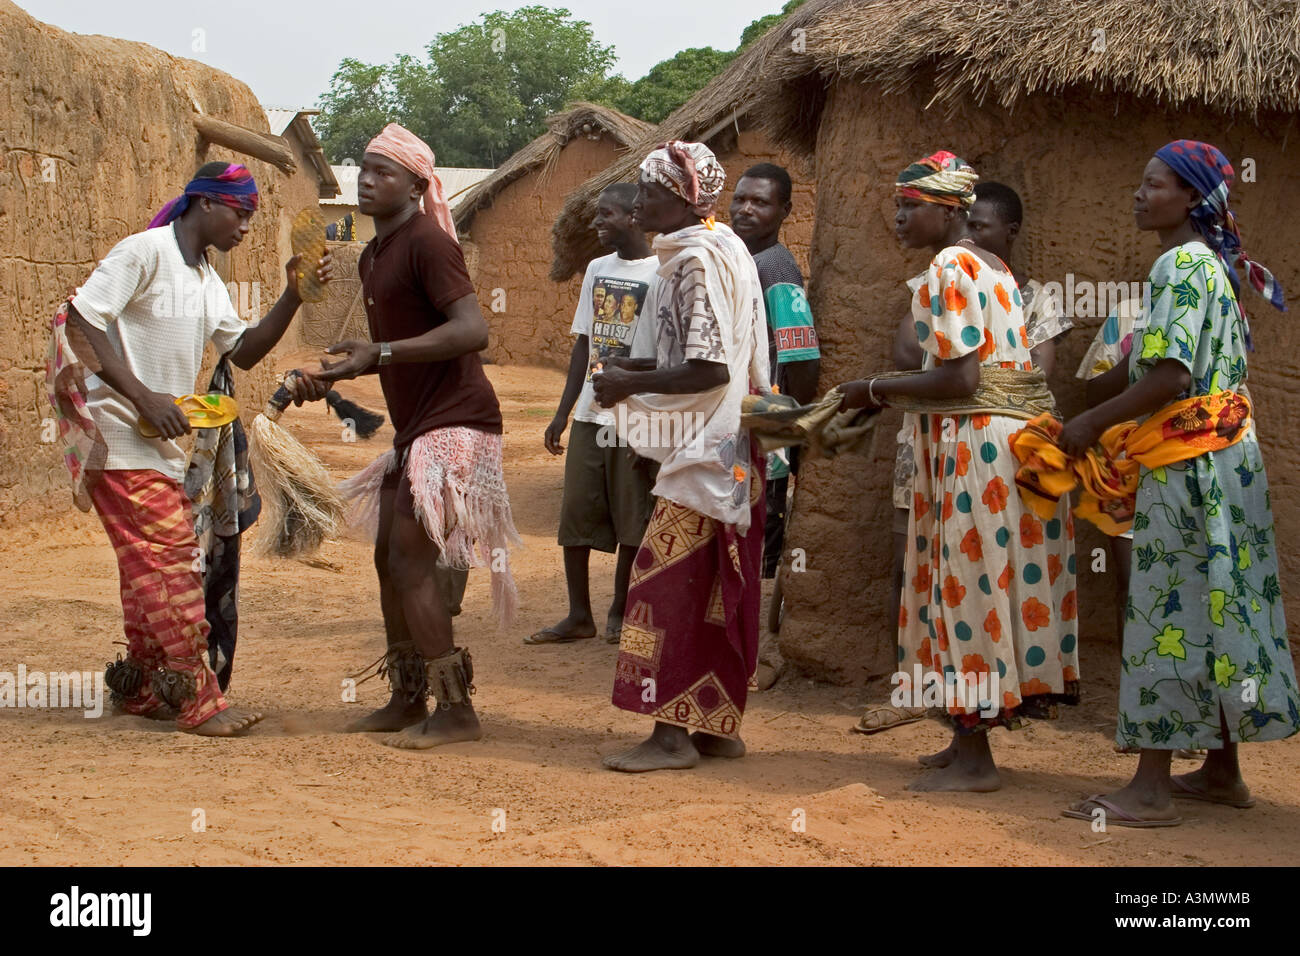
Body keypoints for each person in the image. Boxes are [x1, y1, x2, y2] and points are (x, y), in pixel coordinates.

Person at [1061, 141, 1299, 827]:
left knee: (1166, 610)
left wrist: (1086, 425)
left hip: (1187, 467)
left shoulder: (1181, 264)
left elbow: (1171, 377)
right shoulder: (1212, 266)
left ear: (1192, 198)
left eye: (1154, 184)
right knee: (1217, 601)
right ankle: (1222, 769)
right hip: (1225, 462)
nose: (1139, 196)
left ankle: (1150, 788)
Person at [51, 161, 332, 737]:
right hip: (122, 439)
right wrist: (142, 397)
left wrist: (294, 294)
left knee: (145, 571)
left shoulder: (205, 280)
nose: (246, 228)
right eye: (241, 213)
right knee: (174, 566)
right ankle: (198, 700)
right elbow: (81, 319)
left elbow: (246, 350)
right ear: (206, 203)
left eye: (252, 217)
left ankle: (144, 687)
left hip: (160, 447)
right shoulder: (144, 252)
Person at [838, 151, 1078, 791]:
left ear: (948, 211)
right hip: (998, 444)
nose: (898, 217)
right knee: (976, 585)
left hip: (972, 446)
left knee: (964, 587)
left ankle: (976, 761)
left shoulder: (951, 265)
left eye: (909, 206)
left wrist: (871, 389)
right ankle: (962, 738)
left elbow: (959, 377)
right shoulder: (993, 267)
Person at [318, 123, 520, 748]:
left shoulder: (427, 242)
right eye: (365, 168)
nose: (367, 179)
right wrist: (348, 367)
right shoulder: (374, 253)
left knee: (410, 559)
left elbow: (472, 331)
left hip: (456, 421)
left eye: (384, 172)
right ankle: (407, 695)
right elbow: (384, 353)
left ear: (415, 185)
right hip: (420, 427)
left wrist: (378, 353)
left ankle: (455, 709)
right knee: (390, 558)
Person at [592, 141, 770, 772]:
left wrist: (629, 384)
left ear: (679, 199)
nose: (637, 202)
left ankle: (670, 737)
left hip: (707, 454)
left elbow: (708, 367)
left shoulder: (696, 261)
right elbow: (699, 357)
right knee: (715, 590)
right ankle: (716, 727)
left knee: (661, 589)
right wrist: (635, 368)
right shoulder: (718, 252)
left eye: (647, 192)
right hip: (732, 450)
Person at [529, 184, 659, 645]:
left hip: (636, 415)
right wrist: (562, 413)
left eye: (606, 214)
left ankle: (620, 611)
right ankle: (578, 614)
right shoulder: (596, 270)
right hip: (591, 413)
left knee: (632, 519)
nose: (596, 223)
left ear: (633, 217)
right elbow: (583, 343)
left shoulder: (663, 270)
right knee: (576, 517)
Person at [729, 162, 821, 689]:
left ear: (785, 211)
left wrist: (784, 421)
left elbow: (803, 354)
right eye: (740, 199)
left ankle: (760, 650)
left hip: (768, 431)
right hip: (747, 428)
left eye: (760, 202)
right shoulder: (748, 259)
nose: (745, 209)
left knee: (763, 536)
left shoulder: (776, 269)